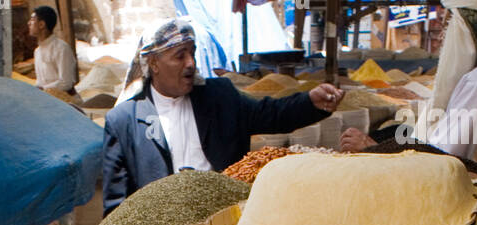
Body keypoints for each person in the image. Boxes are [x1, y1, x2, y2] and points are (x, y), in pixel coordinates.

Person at [102, 19, 343, 213]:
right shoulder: (124, 120)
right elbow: (116, 204)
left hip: (224, 215)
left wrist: (310, 102)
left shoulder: (220, 96)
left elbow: (270, 114)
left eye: (192, 53)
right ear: (153, 63)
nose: (191, 63)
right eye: (180, 55)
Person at [341, 1, 477, 164]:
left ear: (473, 35)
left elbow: (441, 161)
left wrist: (373, 148)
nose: (443, 37)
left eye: (450, 26)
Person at [28, 5, 76, 94]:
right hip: (47, 99)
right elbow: (40, 82)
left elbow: (66, 82)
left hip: (65, 101)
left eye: (32, 20)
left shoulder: (61, 48)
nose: (29, 23)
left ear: (42, 24)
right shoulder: (37, 51)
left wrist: (42, 89)